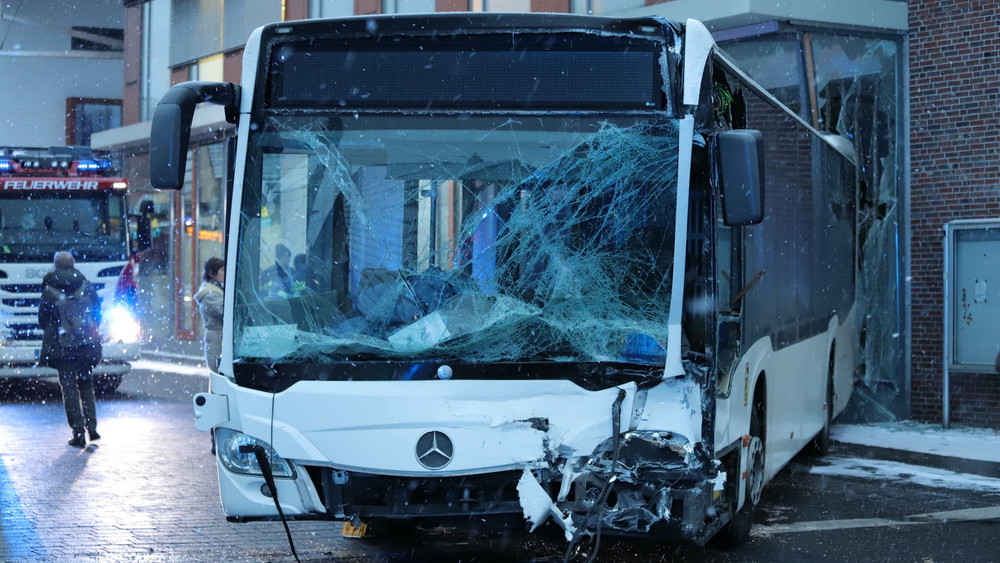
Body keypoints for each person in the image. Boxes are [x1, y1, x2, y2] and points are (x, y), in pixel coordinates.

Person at [38, 251, 103, 449]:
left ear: (55, 266)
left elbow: (43, 320)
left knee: (69, 388)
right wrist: (83, 329)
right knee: (86, 383)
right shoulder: (86, 286)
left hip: (63, 346)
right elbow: (98, 313)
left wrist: (60, 328)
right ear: (73, 265)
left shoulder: (49, 289)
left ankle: (78, 432)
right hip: (86, 343)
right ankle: (92, 427)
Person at [195, 257, 225, 372]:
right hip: (217, 337)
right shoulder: (210, 294)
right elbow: (223, 311)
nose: (225, 273)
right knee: (219, 371)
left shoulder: (218, 289)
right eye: (222, 270)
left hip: (220, 336)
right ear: (211, 274)